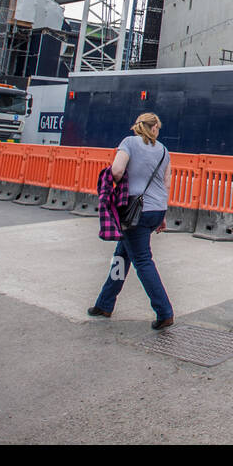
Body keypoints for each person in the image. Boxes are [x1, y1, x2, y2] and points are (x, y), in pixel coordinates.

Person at [88, 112, 174, 329]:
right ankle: (105, 303)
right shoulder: (164, 150)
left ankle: (165, 312)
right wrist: (162, 216)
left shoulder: (129, 143)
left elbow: (117, 170)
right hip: (156, 210)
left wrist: (117, 182)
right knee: (122, 255)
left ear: (138, 127)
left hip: (134, 211)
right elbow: (166, 184)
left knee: (143, 261)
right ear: (154, 128)